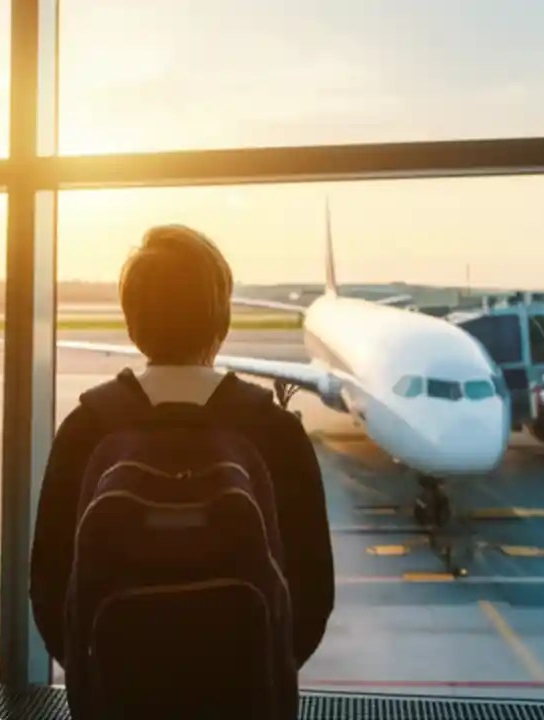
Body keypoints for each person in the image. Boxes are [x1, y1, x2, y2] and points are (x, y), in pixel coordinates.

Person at [30, 224, 334, 712]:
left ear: (133, 322)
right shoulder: (274, 433)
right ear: (221, 320)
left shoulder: (86, 430)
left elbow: (48, 594)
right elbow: (312, 599)